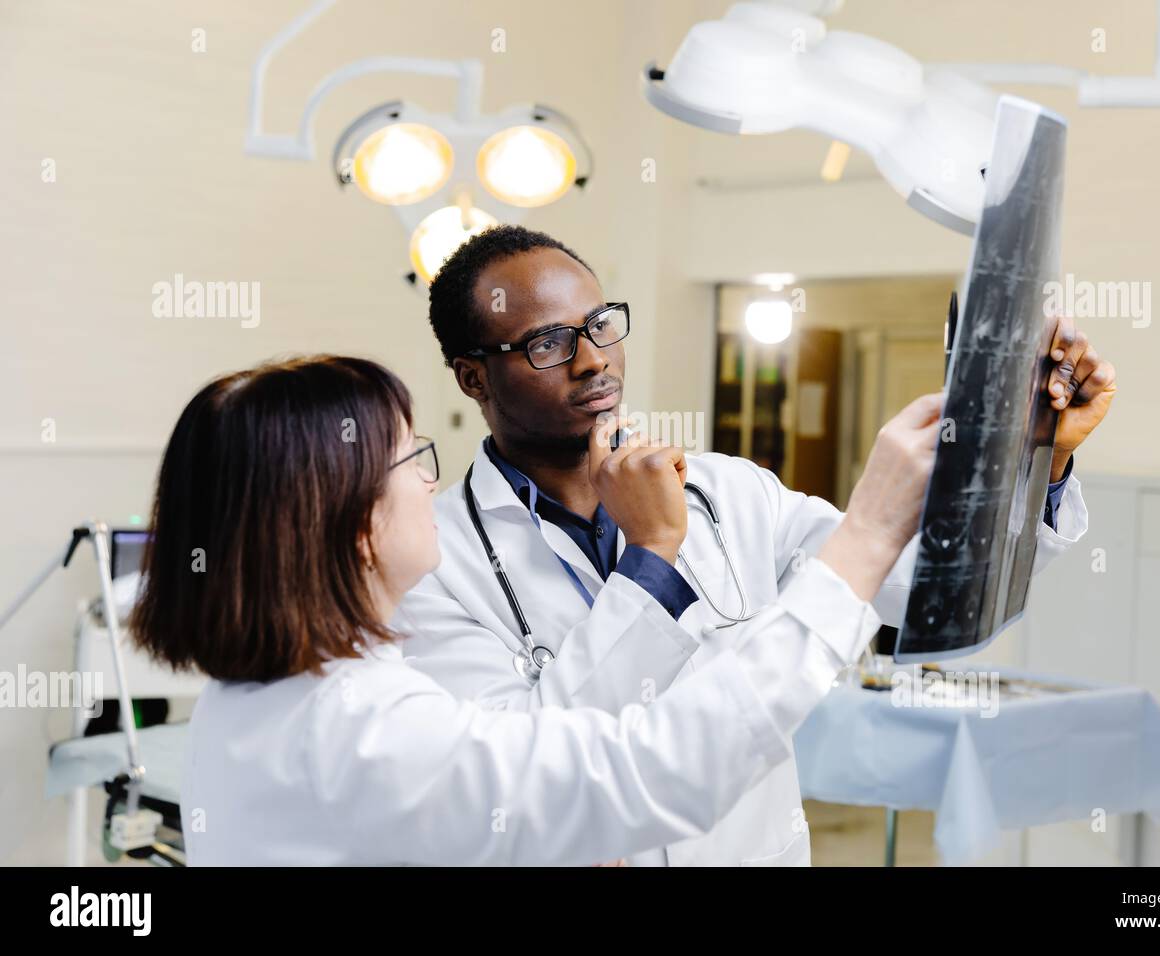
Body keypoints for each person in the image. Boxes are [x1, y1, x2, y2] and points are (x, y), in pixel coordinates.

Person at [395, 225, 1117, 866]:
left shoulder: (729, 493)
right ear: (472, 376)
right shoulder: (435, 560)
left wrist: (1039, 463)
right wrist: (651, 556)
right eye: (547, 342)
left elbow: (929, 590)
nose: (591, 361)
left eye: (600, 325)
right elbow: (518, 772)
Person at [130, 355, 940, 865]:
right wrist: (866, 535)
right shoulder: (364, 728)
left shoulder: (263, 699)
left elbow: (483, 811)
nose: (426, 481)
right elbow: (658, 767)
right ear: (354, 526)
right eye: (411, 457)